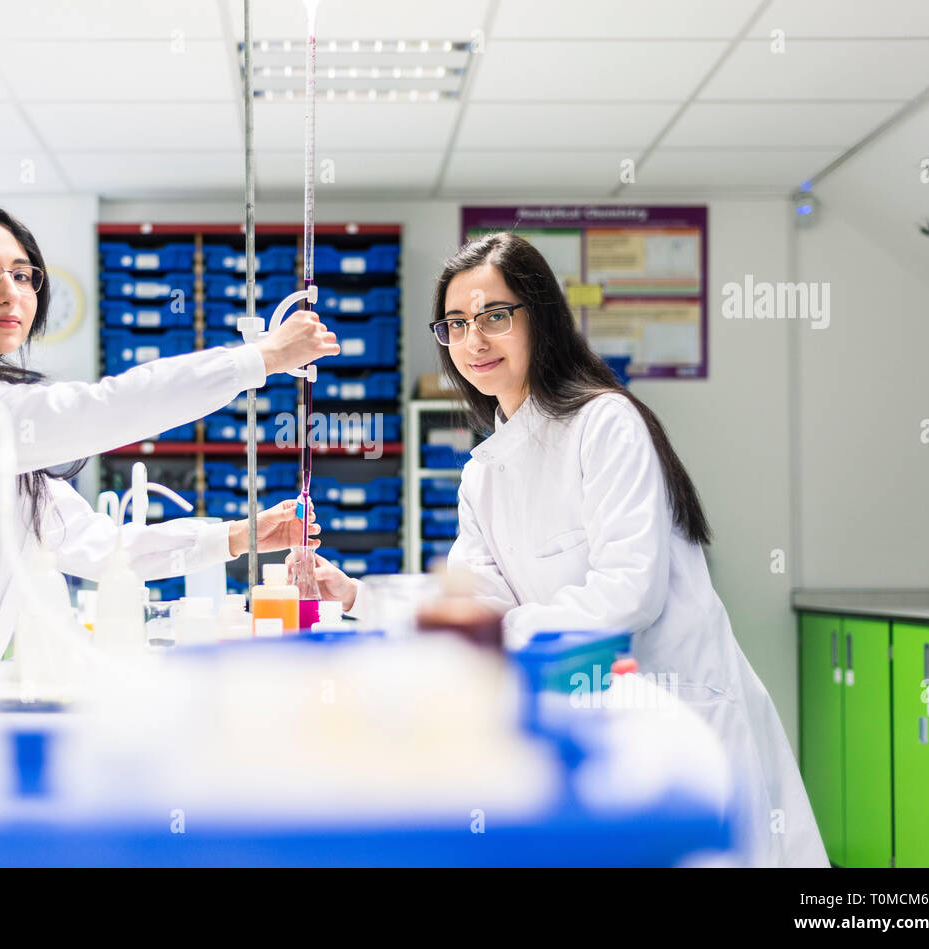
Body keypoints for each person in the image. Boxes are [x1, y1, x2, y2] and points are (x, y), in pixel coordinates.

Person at [303, 231, 828, 867]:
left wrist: (508, 628)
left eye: (495, 316)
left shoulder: (605, 424)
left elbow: (627, 596)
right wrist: (358, 594)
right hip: (588, 726)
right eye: (456, 324)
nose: (474, 341)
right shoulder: (483, 473)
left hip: (673, 716)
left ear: (542, 317)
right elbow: (477, 599)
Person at [0, 206, 337, 674]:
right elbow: (100, 410)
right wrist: (258, 359)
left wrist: (236, 537)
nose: (10, 292)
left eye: (23, 276)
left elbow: (98, 546)